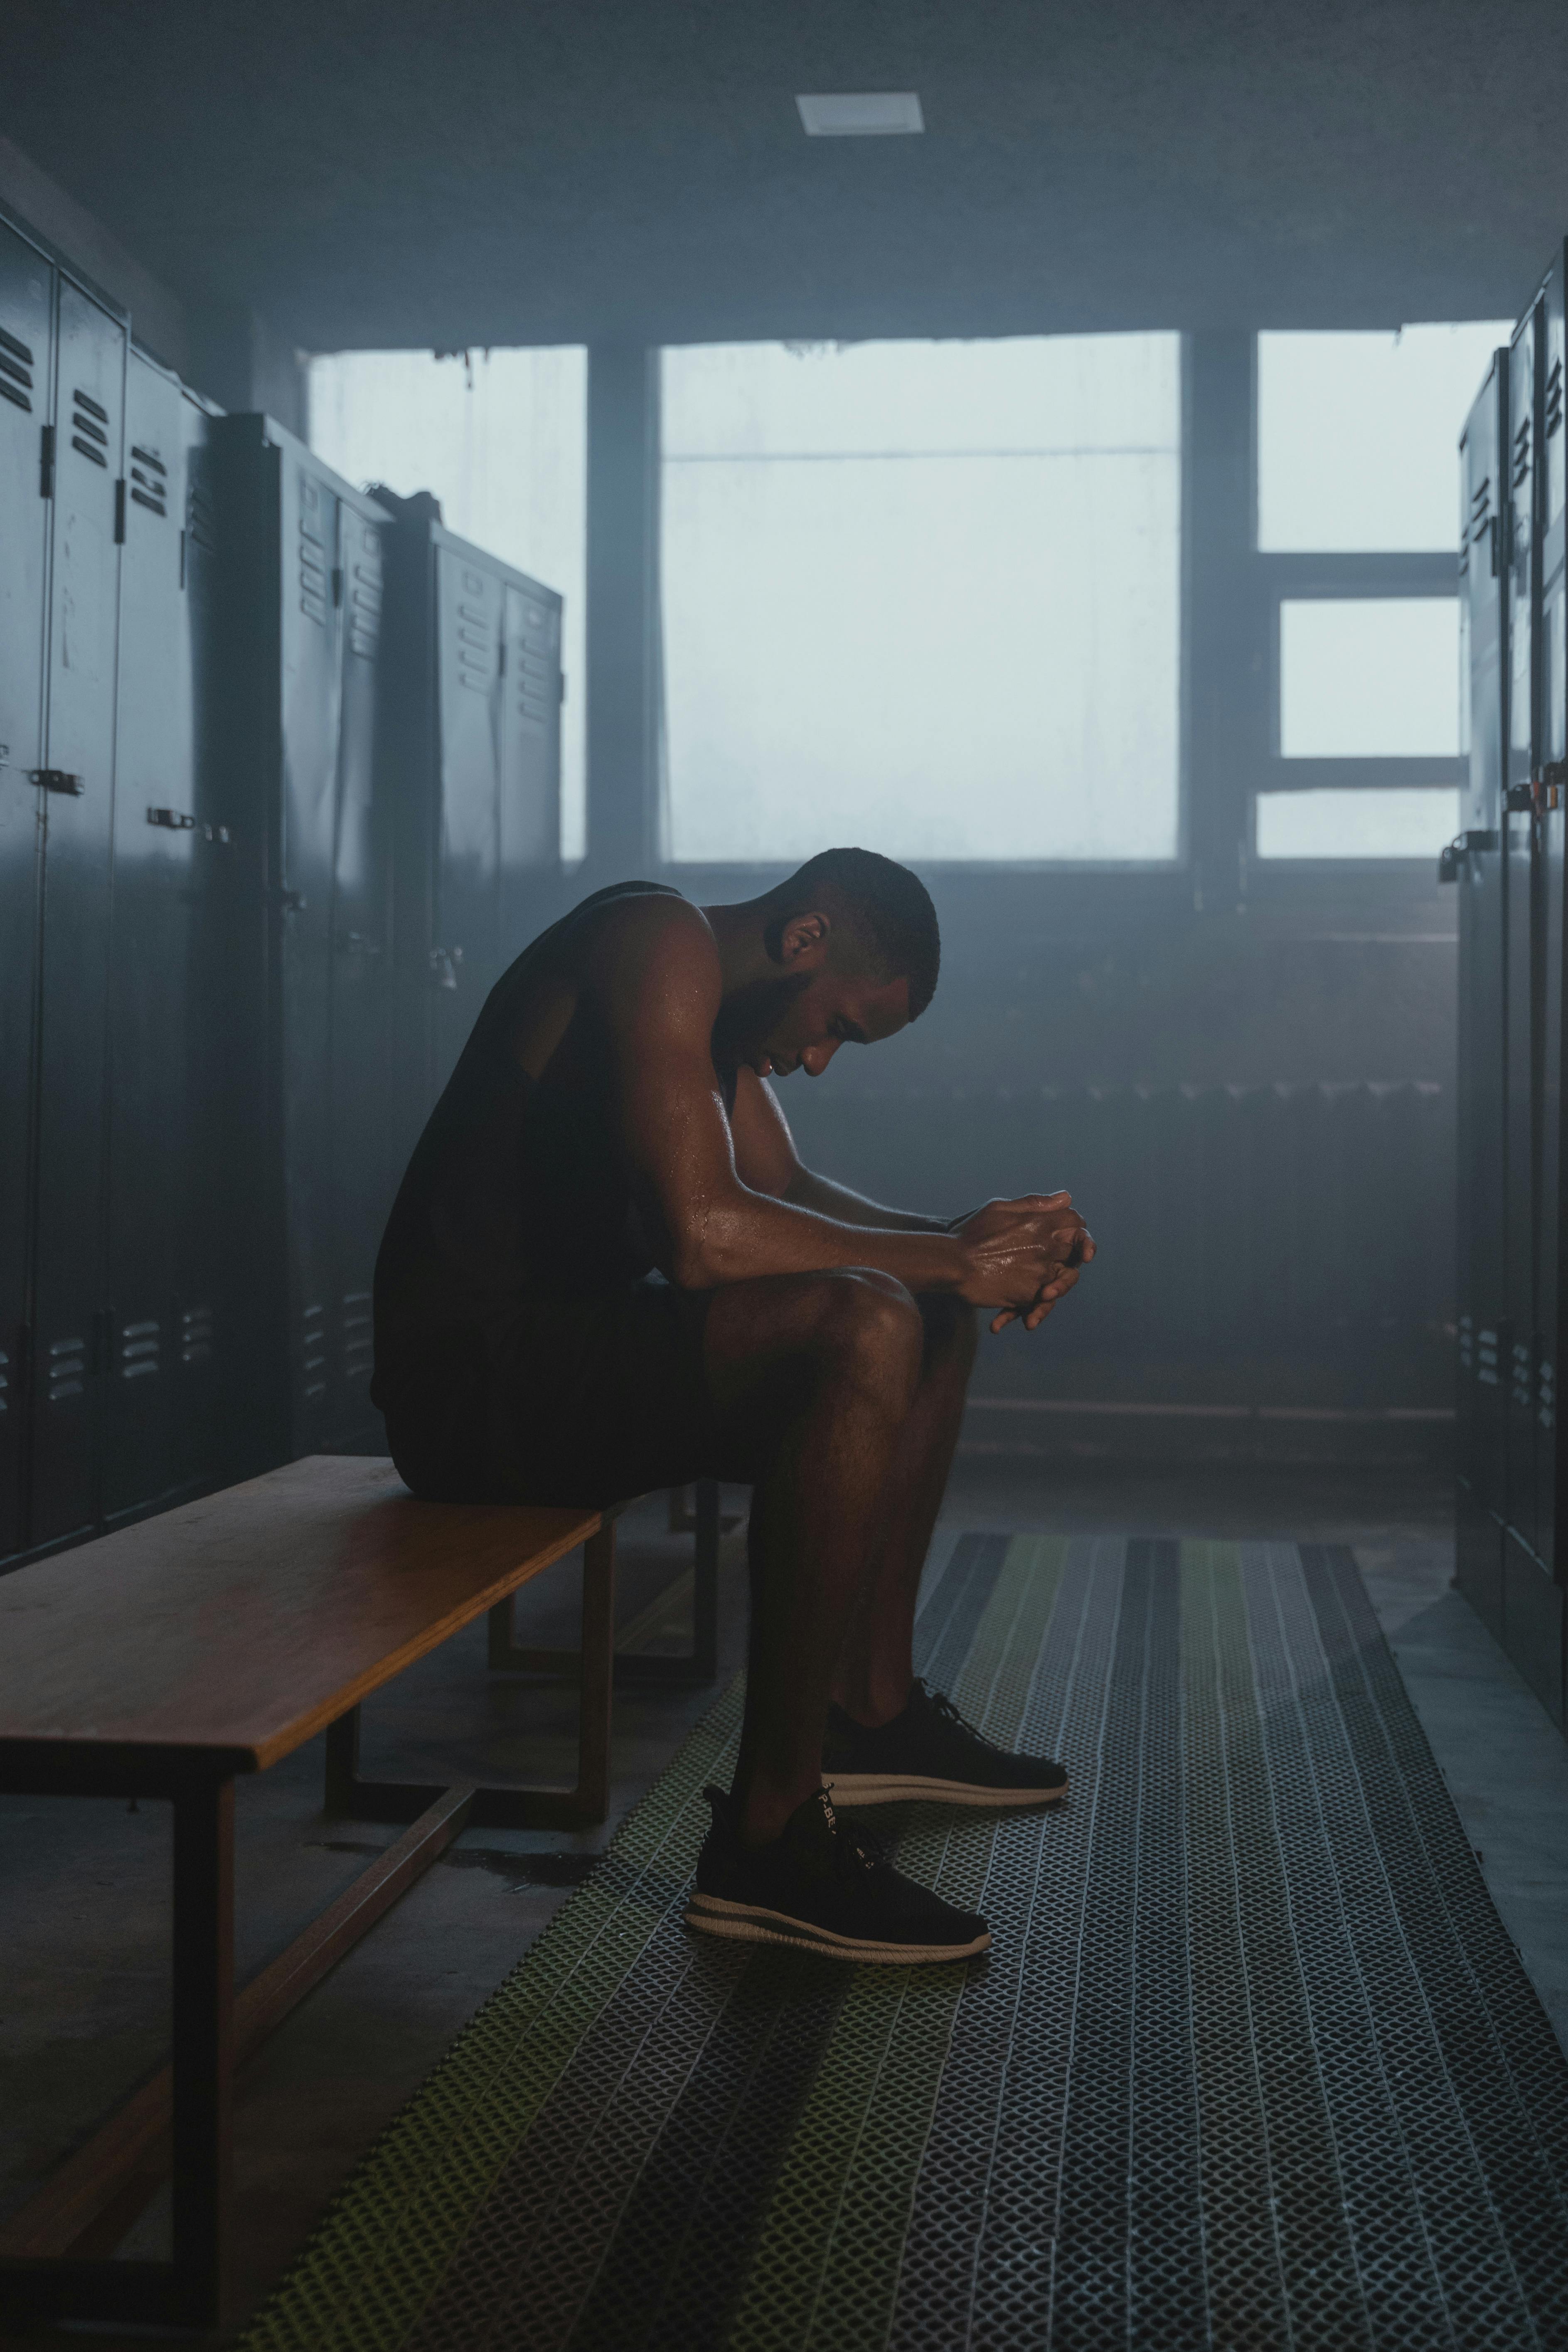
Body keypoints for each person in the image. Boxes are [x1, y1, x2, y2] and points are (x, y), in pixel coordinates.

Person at [372, 850, 1093, 1965]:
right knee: (873, 1315)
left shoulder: (711, 1003)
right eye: (835, 1028)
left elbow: (786, 1193)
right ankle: (767, 1838)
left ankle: (870, 1710)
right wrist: (950, 1259)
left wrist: (971, 1246)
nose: (817, 1061)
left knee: (925, 1308)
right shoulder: (658, 943)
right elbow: (704, 1237)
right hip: (474, 1386)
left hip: (570, 1359)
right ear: (803, 939)